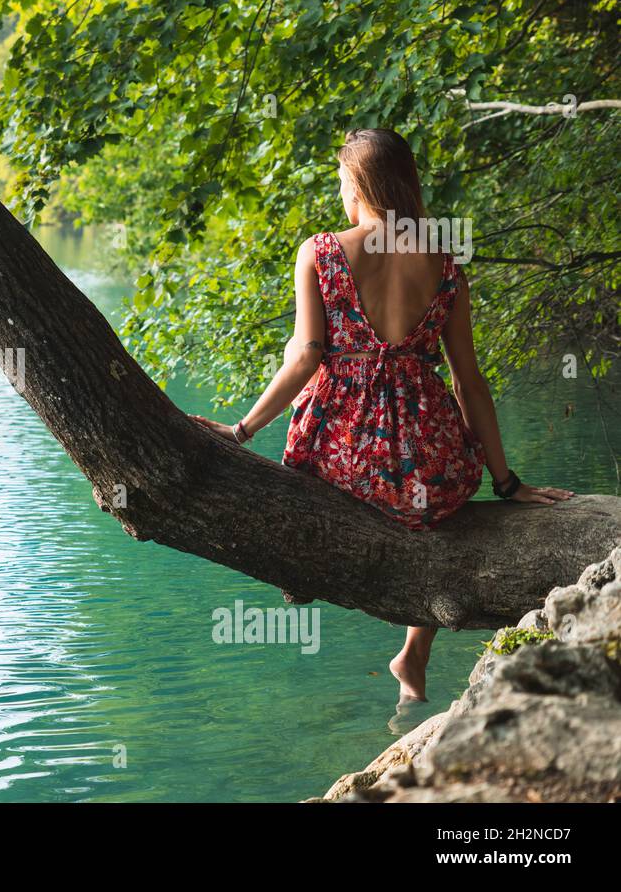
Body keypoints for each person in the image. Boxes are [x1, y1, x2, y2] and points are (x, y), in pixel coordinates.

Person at [189, 128, 573, 702]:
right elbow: (470, 383)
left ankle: (329, 598)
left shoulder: (321, 252)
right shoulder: (445, 265)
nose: (341, 194)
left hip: (342, 455)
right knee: (434, 509)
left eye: (344, 181)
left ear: (359, 185)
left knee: (319, 479)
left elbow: (305, 356)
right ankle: (414, 653)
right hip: (426, 464)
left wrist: (241, 430)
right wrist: (506, 481)